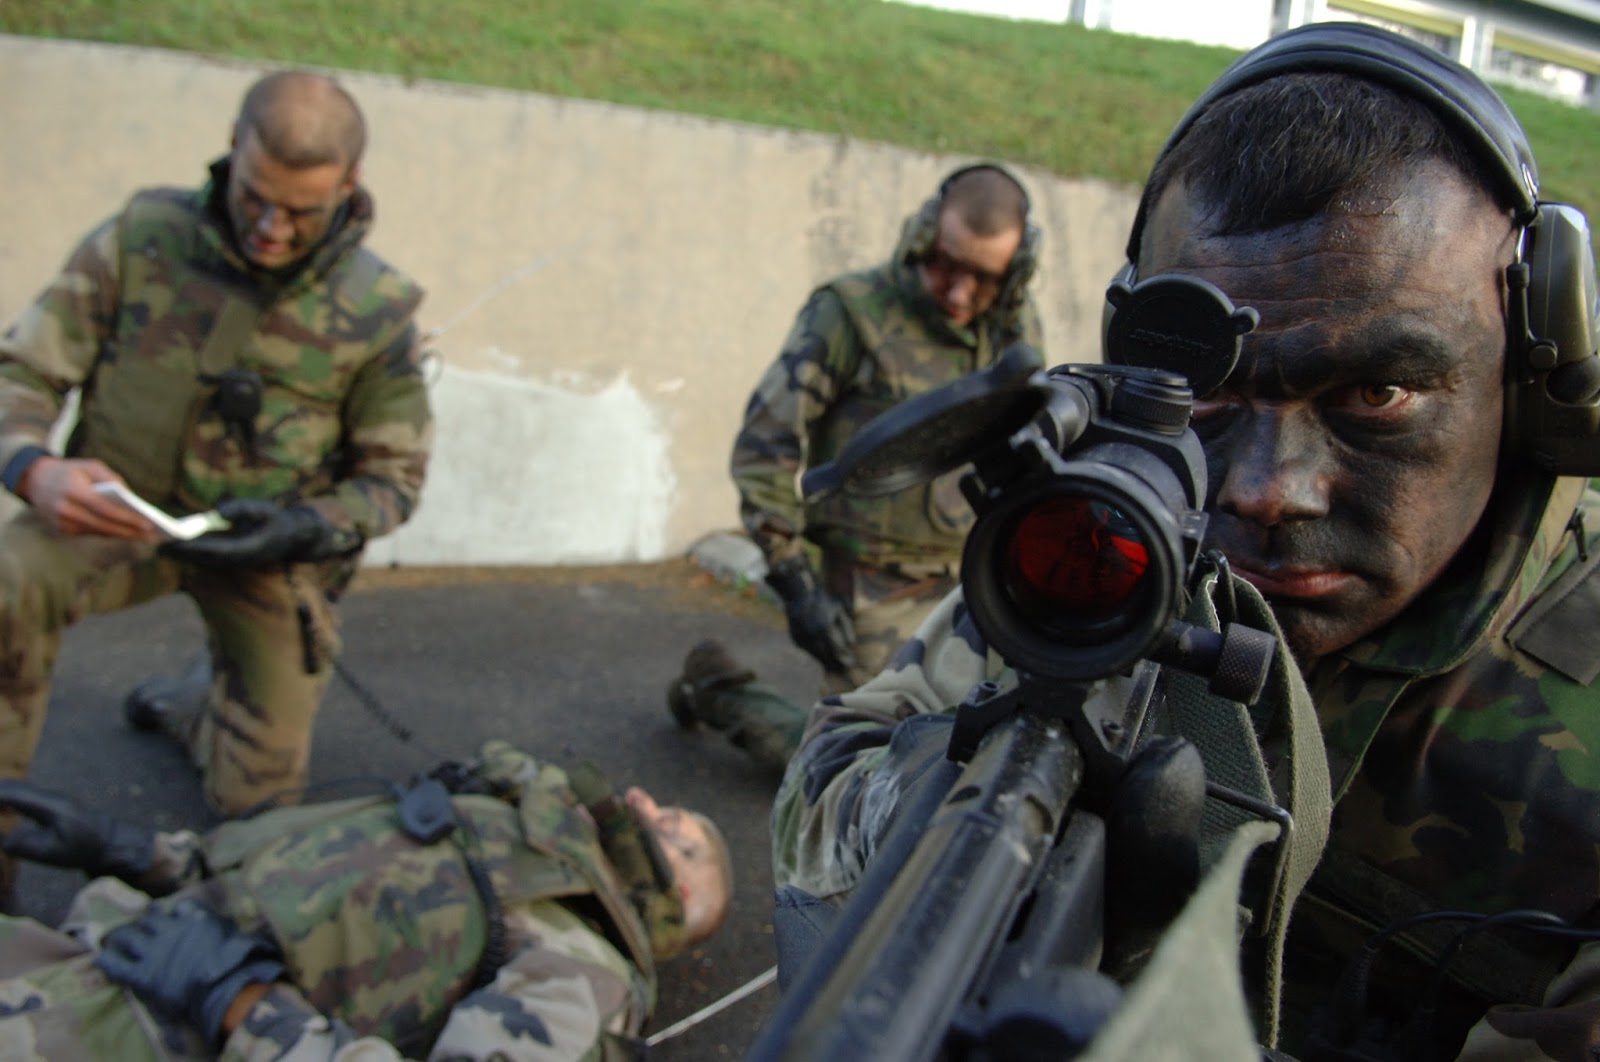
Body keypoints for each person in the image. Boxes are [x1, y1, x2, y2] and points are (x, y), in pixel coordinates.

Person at [765, 22, 1600, 1062]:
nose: (1262, 492)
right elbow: (822, 778)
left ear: (1534, 380)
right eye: (1207, 388)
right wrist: (938, 811)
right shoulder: (1119, 556)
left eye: (1376, 393)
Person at [0, 66, 433, 903]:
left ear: (349, 186)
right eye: (254, 197)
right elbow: (21, 370)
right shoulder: (141, 234)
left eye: (301, 212)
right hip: (112, 519)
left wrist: (301, 529)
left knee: (259, 821)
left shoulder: (376, 311)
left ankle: (195, 719)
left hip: (263, 553)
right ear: (232, 151)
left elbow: (393, 482)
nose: (271, 229)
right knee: (5, 579)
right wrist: (34, 467)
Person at [0, 739, 733, 1059]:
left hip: (149, 1031)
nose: (644, 801)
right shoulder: (515, 833)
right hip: (119, 943)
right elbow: (323, 883)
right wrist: (137, 853)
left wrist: (242, 1006)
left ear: (688, 898)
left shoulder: (588, 969)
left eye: (676, 831)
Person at [670, 162, 1046, 773]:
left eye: (982, 278)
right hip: (869, 587)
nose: (956, 293)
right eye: (946, 263)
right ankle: (718, 693)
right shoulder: (849, 313)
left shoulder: (1013, 326)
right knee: (849, 774)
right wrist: (795, 584)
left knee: (957, 763)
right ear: (924, 234)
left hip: (970, 583)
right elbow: (767, 443)